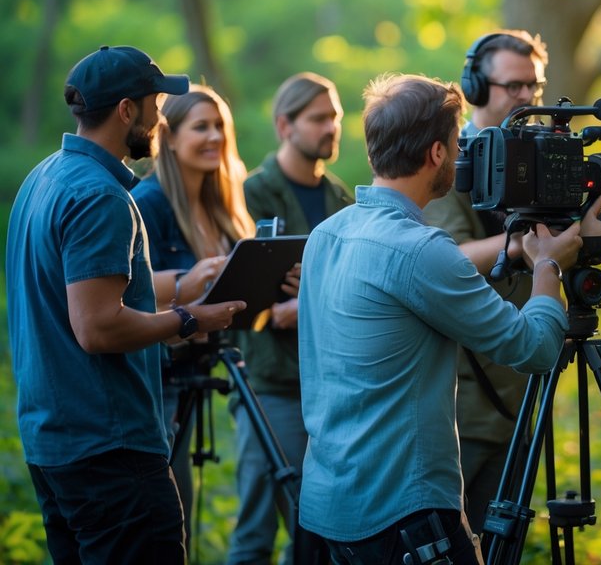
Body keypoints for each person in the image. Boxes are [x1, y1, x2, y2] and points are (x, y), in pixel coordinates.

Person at [297, 74, 601, 564]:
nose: (461, 155)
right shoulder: (420, 250)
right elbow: (532, 348)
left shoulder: (327, 233)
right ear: (436, 155)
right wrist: (550, 264)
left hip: (327, 507)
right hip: (403, 515)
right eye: (456, 144)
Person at [5, 45, 245, 564]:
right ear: (126, 111)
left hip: (55, 443)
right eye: (156, 102)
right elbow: (97, 328)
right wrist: (188, 318)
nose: (161, 116)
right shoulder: (101, 196)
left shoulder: (42, 178)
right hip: (109, 448)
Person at [422, 30, 548, 533]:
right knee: (459, 539)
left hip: (523, 390)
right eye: (513, 86)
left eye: (532, 87)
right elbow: (443, 259)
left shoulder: (546, 159)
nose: (525, 98)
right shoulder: (454, 164)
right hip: (468, 400)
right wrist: (523, 248)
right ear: (476, 85)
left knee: (505, 538)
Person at [228, 72, 354, 565]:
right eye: (318, 118)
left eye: (335, 117)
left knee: (317, 531)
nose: (331, 127)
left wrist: (310, 300)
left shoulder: (343, 200)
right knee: (256, 527)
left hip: (330, 388)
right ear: (285, 124)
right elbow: (247, 295)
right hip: (271, 383)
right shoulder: (250, 194)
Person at [132, 83, 257, 537]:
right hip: (162, 376)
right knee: (168, 508)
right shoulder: (147, 202)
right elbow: (131, 292)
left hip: (205, 365)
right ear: (169, 136)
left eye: (219, 126)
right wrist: (191, 283)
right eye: (200, 127)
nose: (214, 137)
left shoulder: (220, 201)